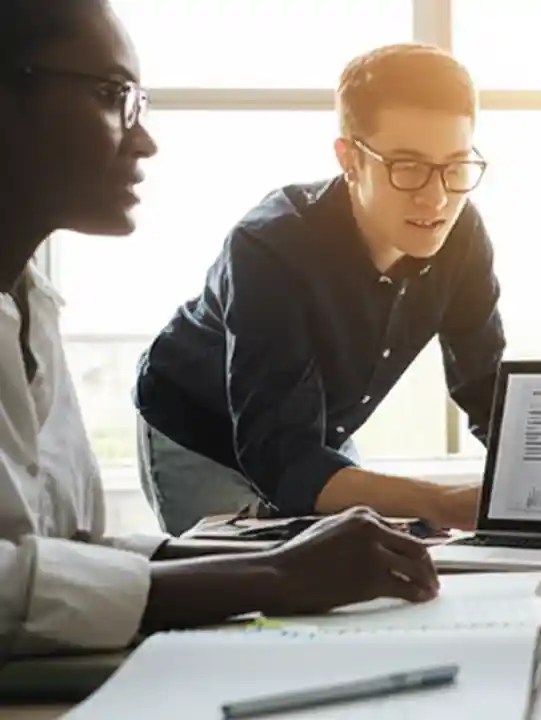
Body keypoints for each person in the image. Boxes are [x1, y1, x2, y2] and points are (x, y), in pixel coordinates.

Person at [0, 0, 438, 657]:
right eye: (113, 95)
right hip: (196, 427)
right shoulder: (272, 242)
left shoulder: (32, 304)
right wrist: (275, 575)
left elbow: (69, 550)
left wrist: (265, 556)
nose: (144, 138)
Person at [133, 43, 503, 535]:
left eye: (455, 166)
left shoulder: (461, 233)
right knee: (247, 589)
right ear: (349, 159)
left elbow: (484, 386)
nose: (436, 198)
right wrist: (443, 502)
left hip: (311, 434)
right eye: (408, 167)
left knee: (360, 573)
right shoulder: (270, 246)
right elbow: (282, 457)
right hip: (199, 429)